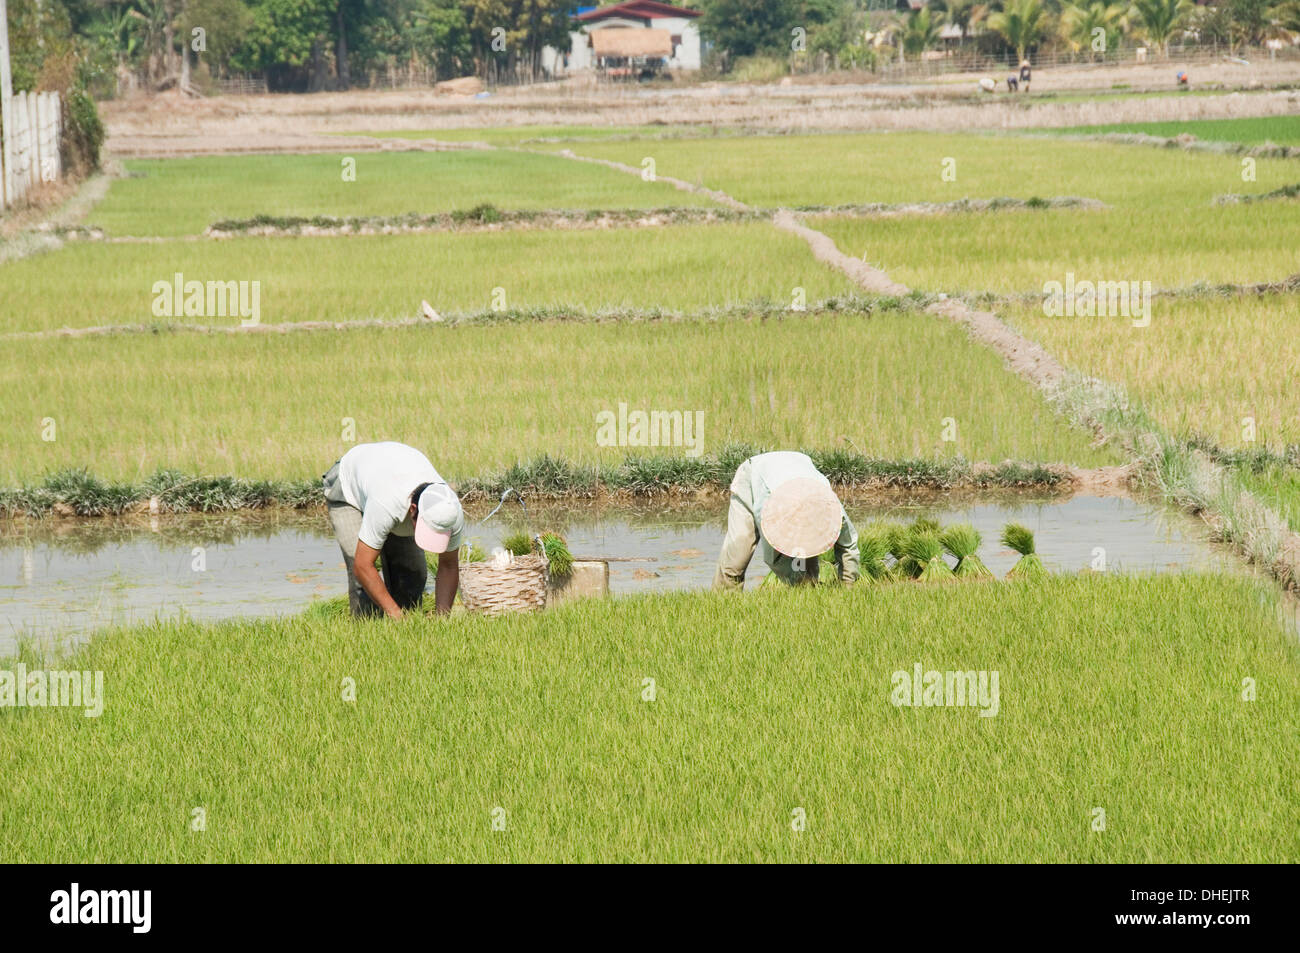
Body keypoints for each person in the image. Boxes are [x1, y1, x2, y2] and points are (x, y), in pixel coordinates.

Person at [322, 441, 464, 618]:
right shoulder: (388, 504)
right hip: (348, 489)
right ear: (413, 510)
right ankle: (367, 636)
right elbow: (362, 566)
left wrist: (442, 620)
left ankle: (406, 636)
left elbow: (449, 565)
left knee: (413, 575)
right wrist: (397, 616)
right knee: (363, 584)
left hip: (386, 477)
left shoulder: (450, 510)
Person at [712, 451, 859, 590]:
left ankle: (808, 596)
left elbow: (849, 546)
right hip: (755, 475)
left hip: (798, 465)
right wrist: (799, 581)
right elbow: (774, 557)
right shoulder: (770, 508)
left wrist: (847, 585)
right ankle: (722, 601)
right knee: (737, 554)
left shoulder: (830, 507)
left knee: (806, 552)